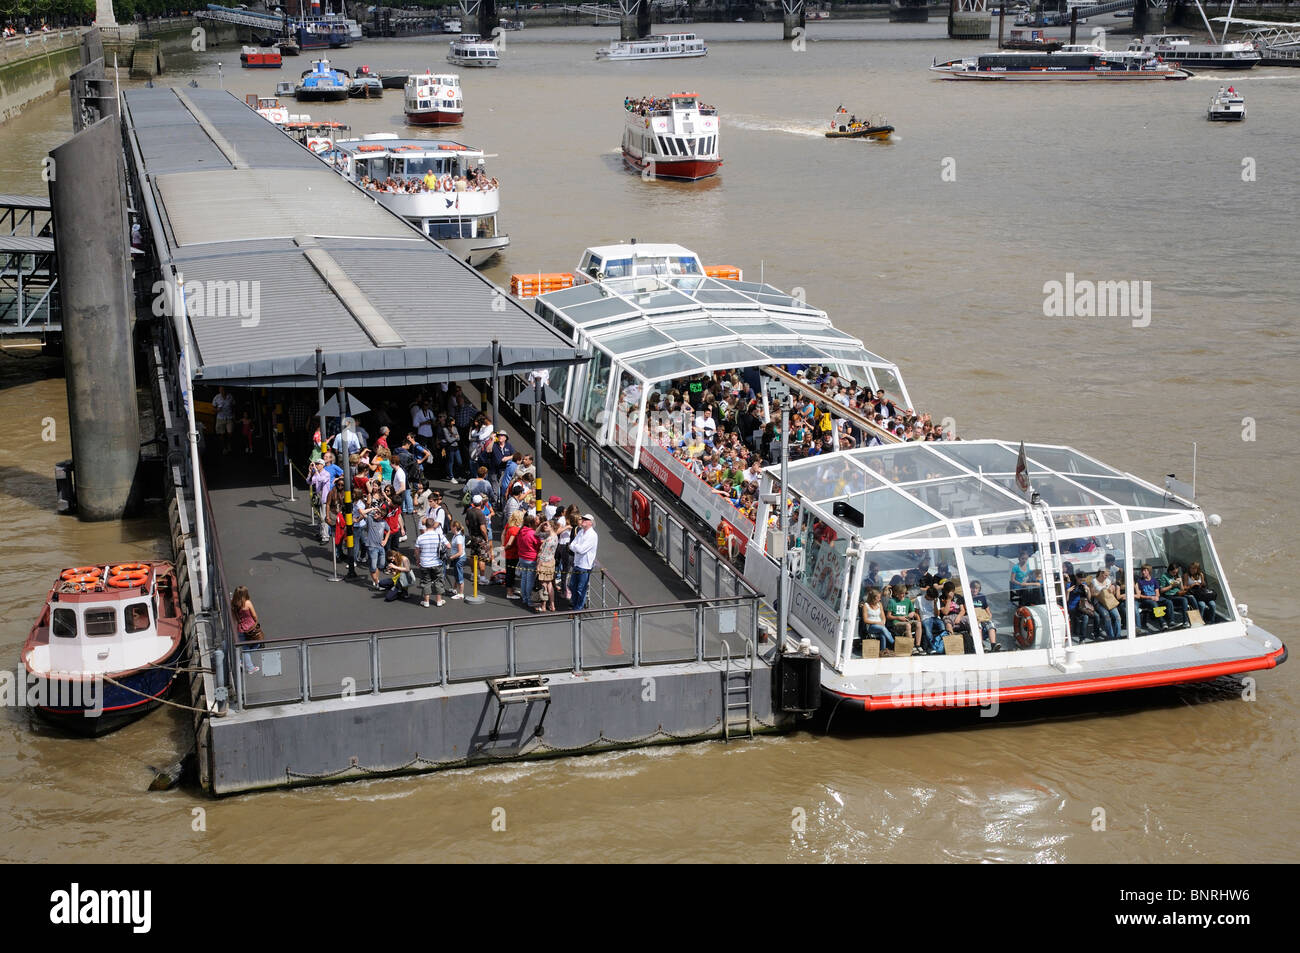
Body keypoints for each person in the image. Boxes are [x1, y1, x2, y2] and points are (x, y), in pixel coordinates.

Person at [414, 516, 449, 607]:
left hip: (425, 563)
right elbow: (448, 546)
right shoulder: (439, 536)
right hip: (437, 562)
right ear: (433, 525)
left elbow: (417, 551)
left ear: (425, 525)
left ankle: (426, 601)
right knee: (438, 581)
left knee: (426, 581)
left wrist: (418, 560)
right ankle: (439, 601)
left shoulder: (420, 537)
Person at [568, 514, 599, 610]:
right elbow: (571, 545)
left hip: (585, 565)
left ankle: (578, 608)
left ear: (591, 522)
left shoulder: (592, 535)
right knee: (572, 585)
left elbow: (581, 550)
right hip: (577, 563)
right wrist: (576, 547)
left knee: (581, 588)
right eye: (583, 519)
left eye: (586, 519)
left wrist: (576, 547)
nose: (583, 520)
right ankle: (575, 602)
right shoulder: (581, 532)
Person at [230, 585, 263, 674]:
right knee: (257, 643)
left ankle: (242, 661)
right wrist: (255, 622)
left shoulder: (233, 604)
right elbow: (255, 616)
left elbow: (234, 618)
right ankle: (250, 668)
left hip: (240, 629)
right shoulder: (247, 603)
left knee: (245, 647)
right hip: (251, 628)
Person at [515, 512, 540, 611]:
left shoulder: (521, 531)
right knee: (530, 580)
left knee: (524, 578)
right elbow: (538, 545)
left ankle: (524, 598)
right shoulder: (533, 534)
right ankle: (529, 600)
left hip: (522, 558)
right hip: (531, 559)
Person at [885, 582, 922, 648]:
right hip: (897, 623)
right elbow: (888, 616)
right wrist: (899, 618)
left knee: (918, 624)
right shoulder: (892, 601)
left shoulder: (908, 601)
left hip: (906, 621)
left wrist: (911, 614)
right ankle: (911, 646)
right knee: (908, 625)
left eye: (904, 593)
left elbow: (913, 611)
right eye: (901, 593)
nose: (903, 595)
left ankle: (918, 645)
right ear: (896, 594)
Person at [967, 580, 1000, 652]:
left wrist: (989, 614)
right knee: (978, 627)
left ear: (979, 589)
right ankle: (981, 645)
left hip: (982, 615)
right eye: (973, 588)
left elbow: (986, 607)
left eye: (976, 588)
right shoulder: (967, 597)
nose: (975, 590)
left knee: (991, 625)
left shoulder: (981, 596)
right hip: (974, 616)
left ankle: (993, 645)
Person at [860, 588, 894, 654]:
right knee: (882, 629)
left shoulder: (879, 604)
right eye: (878, 598)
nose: (880, 599)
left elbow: (883, 617)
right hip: (871, 626)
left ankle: (882, 651)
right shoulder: (866, 606)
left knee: (882, 634)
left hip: (881, 626)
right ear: (873, 598)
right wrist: (877, 623)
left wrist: (883, 623)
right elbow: (865, 620)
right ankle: (893, 643)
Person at [1159, 562, 1192, 628]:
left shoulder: (1176, 576)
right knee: (1184, 599)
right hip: (1169, 595)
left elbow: (1182, 590)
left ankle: (1190, 620)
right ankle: (1178, 621)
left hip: (1178, 594)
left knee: (1191, 597)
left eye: (1176, 572)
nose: (1175, 574)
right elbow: (1161, 590)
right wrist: (1172, 586)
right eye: (1173, 572)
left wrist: (1180, 582)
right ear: (1169, 570)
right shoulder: (1164, 576)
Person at [536, 520, 559, 612]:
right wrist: (542, 524)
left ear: (552, 527)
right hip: (551, 562)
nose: (545, 526)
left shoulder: (549, 539)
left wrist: (538, 565)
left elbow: (543, 555)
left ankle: (543, 606)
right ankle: (552, 605)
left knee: (543, 584)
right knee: (549, 583)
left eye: (547, 525)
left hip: (544, 563)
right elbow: (536, 533)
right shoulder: (554, 536)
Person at [501, 509, 524, 598]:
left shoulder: (508, 525)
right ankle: (509, 593)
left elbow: (503, 534)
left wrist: (503, 546)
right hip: (513, 554)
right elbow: (510, 543)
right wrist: (505, 548)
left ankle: (511, 589)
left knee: (509, 572)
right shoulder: (516, 530)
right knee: (511, 573)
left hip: (508, 553)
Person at [212, 386, 236, 454]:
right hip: (220, 418)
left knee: (230, 433)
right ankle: (224, 448)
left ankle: (229, 444)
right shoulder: (216, 397)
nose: (222, 391)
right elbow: (213, 408)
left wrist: (234, 414)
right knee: (221, 434)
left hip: (229, 417)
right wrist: (217, 410)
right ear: (219, 390)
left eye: (223, 390)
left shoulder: (230, 397)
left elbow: (234, 405)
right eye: (221, 390)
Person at [447, 520, 467, 599]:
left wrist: (451, 557)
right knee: (456, 574)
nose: (450, 528)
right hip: (457, 558)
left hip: (459, 558)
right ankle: (454, 589)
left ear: (454, 527)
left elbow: (460, 552)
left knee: (459, 576)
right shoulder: (455, 535)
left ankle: (461, 594)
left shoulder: (458, 538)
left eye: (451, 526)